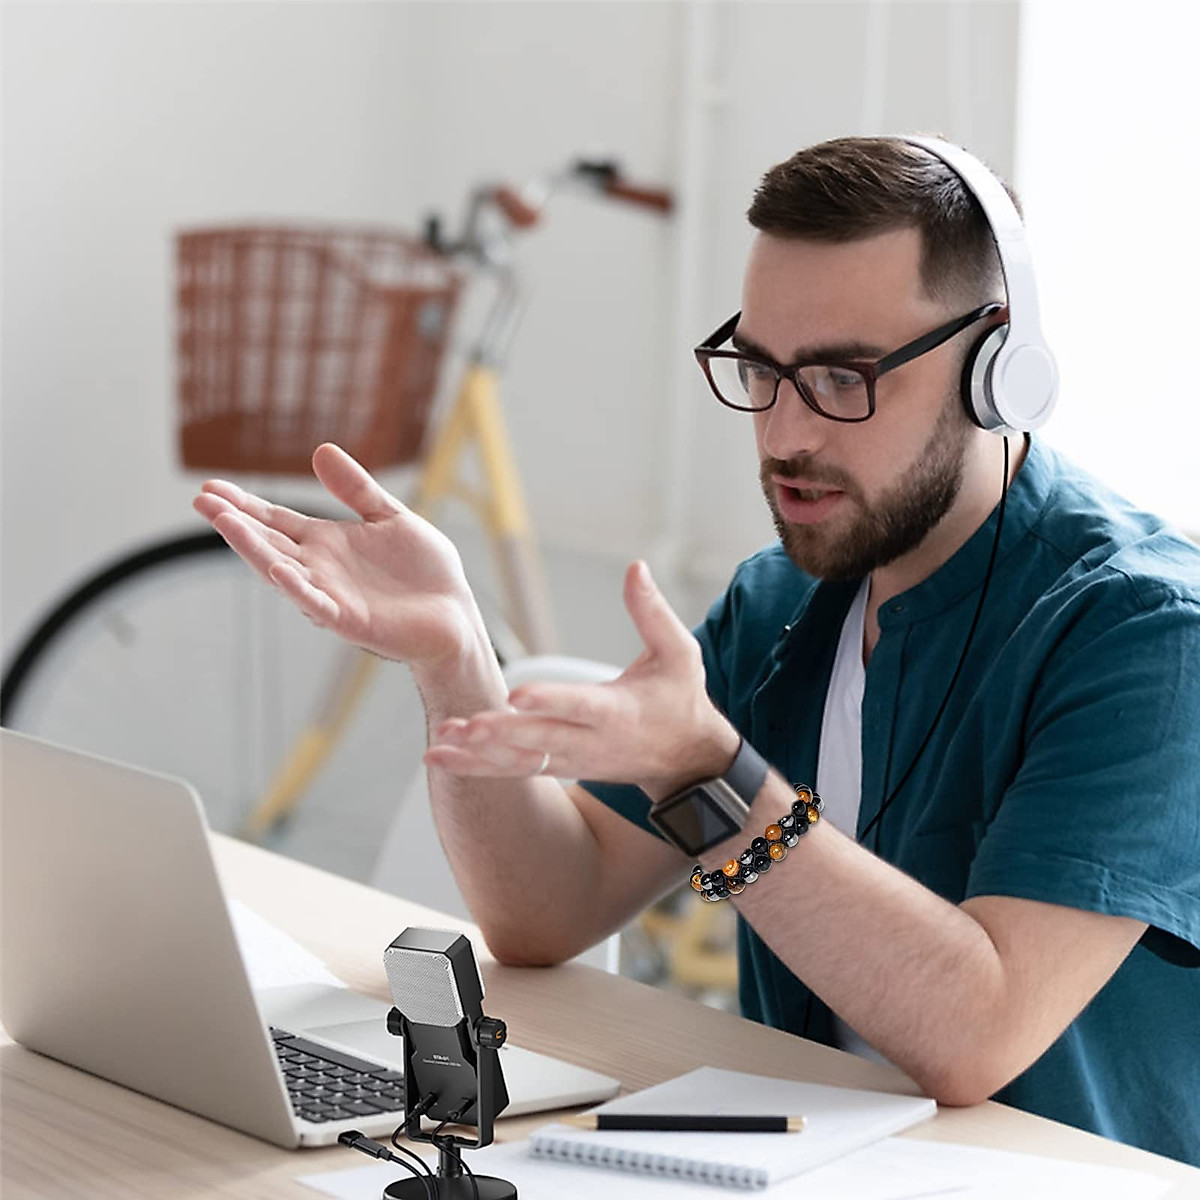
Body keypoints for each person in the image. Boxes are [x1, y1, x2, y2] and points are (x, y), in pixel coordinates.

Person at [194, 136, 1200, 1166]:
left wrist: (707, 773)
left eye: (842, 377)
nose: (784, 436)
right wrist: (452, 662)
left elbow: (976, 1035)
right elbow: (548, 910)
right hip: (809, 1161)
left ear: (997, 370)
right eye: (760, 369)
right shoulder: (785, 600)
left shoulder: (1148, 635)